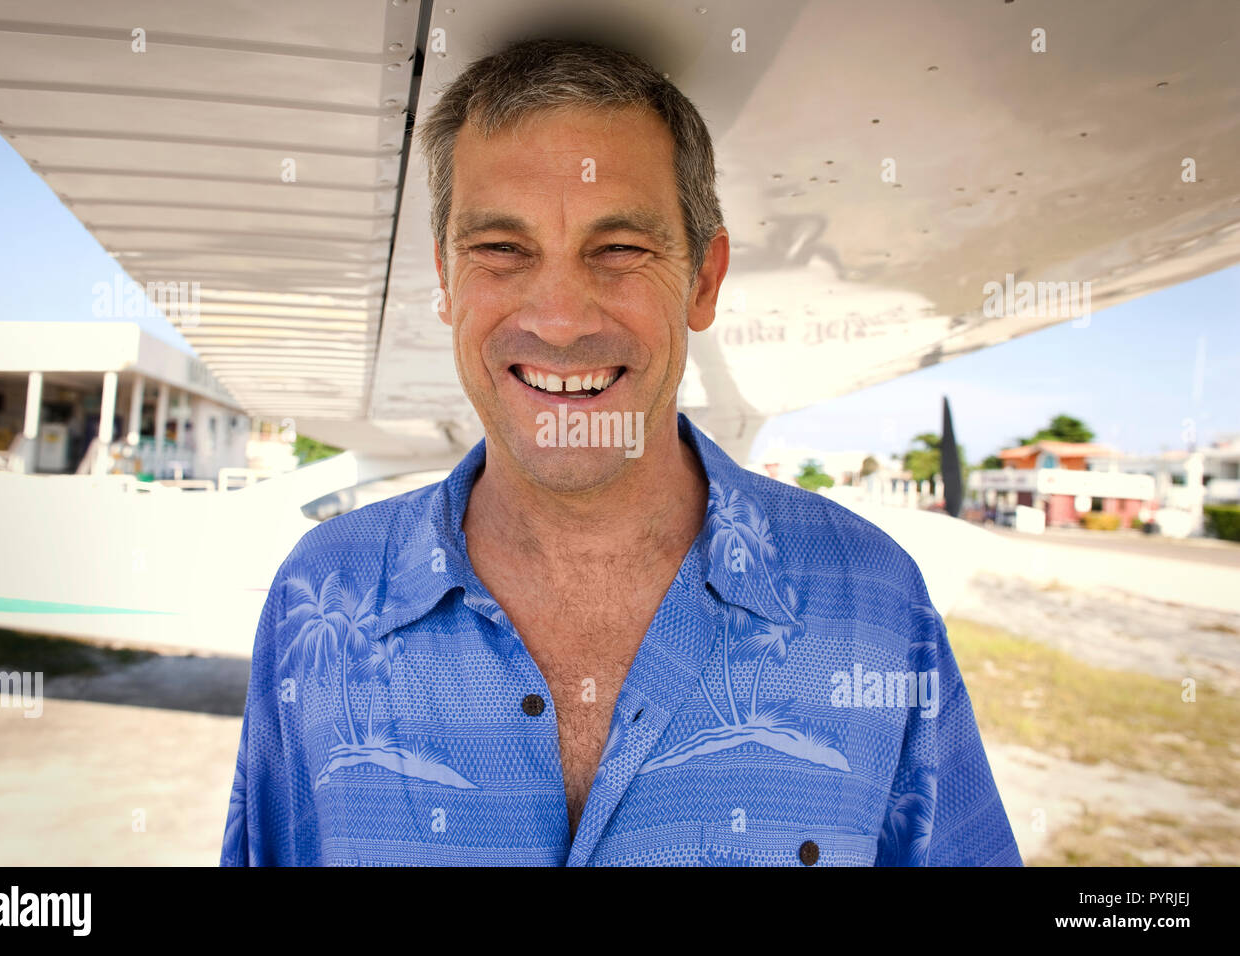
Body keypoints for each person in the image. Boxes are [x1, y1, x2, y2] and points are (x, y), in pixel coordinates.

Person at [220, 38, 1021, 866]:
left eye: (620, 250)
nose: (560, 319)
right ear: (448, 283)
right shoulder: (319, 592)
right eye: (501, 249)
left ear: (703, 282)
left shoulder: (876, 604)